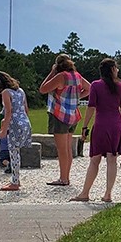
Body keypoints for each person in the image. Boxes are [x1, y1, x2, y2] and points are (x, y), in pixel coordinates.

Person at [70, 58, 121, 203]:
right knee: (112, 160)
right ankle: (108, 194)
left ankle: (85, 193)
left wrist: (85, 126)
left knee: (94, 160)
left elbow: (91, 107)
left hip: (101, 124)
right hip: (116, 125)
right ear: (113, 70)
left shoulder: (96, 85)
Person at [39, 54, 90, 186]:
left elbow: (43, 89)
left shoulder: (61, 76)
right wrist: (78, 96)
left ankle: (63, 178)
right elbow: (89, 88)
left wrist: (52, 72)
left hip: (60, 115)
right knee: (67, 149)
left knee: (62, 150)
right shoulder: (77, 76)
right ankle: (66, 177)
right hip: (73, 115)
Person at [0, 72, 33, 192]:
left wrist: (3, 131)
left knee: (14, 153)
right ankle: (16, 179)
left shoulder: (6, 92)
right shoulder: (20, 91)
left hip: (14, 124)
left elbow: (8, 112)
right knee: (16, 152)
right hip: (25, 122)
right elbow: (25, 109)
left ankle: (15, 182)